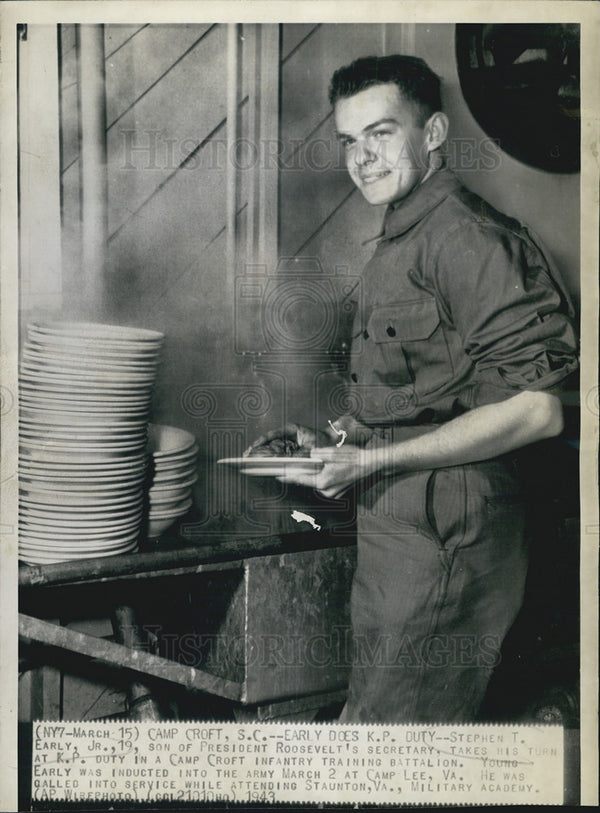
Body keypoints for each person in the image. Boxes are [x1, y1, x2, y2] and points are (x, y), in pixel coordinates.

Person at [246, 55, 579, 723]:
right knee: (381, 727)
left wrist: (369, 461)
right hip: (400, 523)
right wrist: (336, 438)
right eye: (348, 140)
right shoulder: (404, 235)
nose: (362, 158)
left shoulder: (467, 239)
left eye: (381, 133)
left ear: (432, 134)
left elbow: (537, 411)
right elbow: (421, 394)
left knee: (393, 743)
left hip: (450, 529)